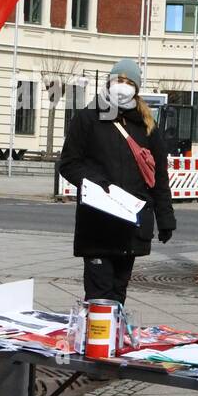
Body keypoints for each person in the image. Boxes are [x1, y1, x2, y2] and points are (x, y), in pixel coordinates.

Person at [59, 59, 176, 306]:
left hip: (131, 229)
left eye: (128, 82)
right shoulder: (88, 118)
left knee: (117, 296)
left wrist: (165, 219)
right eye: (118, 81)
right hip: (98, 225)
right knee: (100, 299)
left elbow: (159, 176)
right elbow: (69, 164)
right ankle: (99, 343)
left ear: (137, 88)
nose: (122, 87)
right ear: (108, 84)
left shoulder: (147, 126)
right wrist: (99, 185)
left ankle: (111, 343)